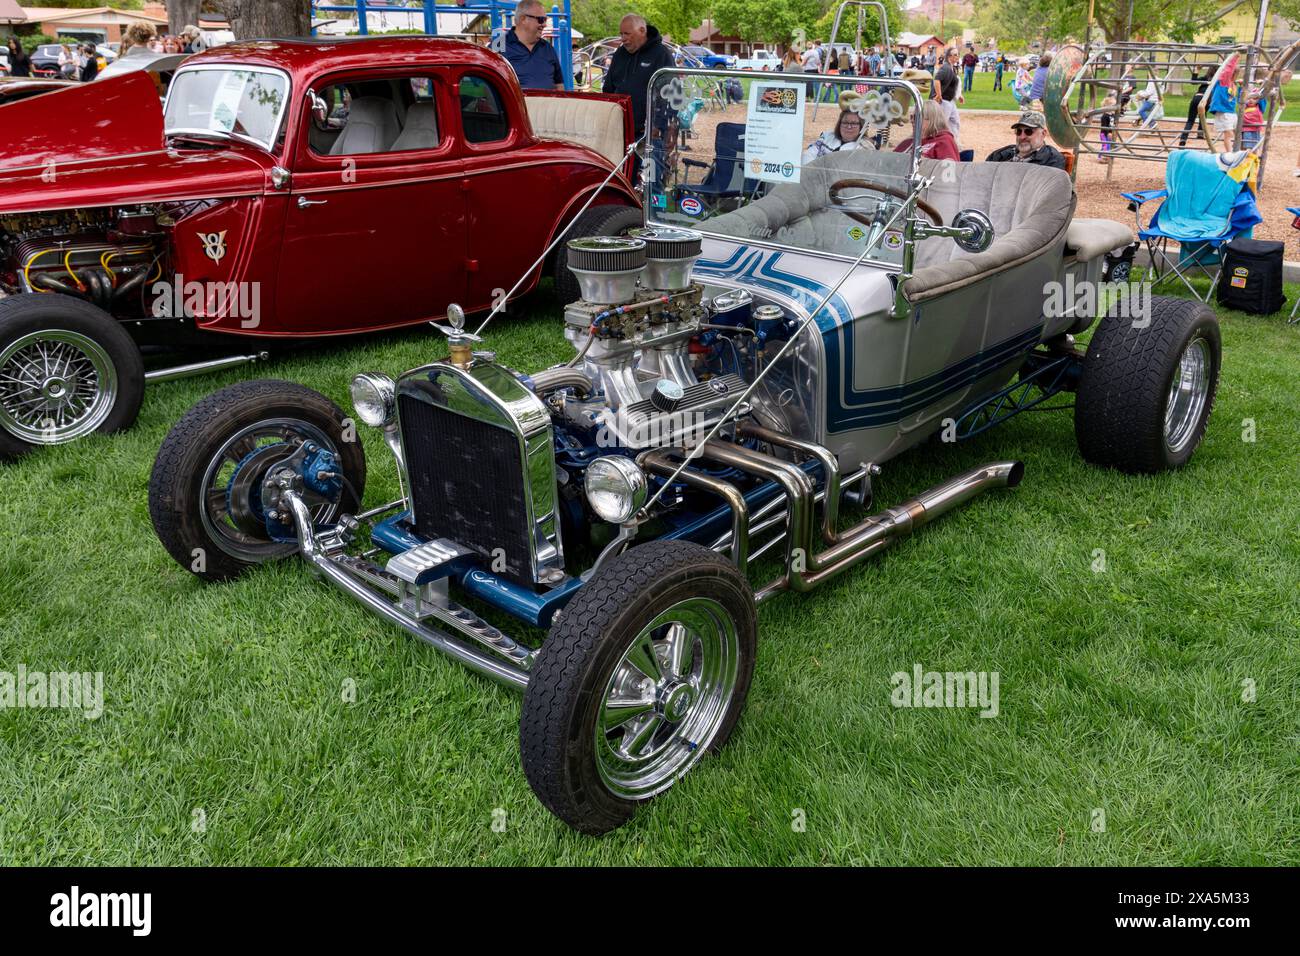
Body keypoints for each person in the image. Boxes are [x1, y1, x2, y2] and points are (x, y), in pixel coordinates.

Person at [603, 14, 674, 140]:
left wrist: (660, 125)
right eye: (621, 34)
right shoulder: (619, 54)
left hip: (650, 133)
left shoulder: (661, 54)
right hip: (620, 129)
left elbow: (671, 95)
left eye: (627, 33)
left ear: (642, 31)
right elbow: (608, 89)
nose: (623, 38)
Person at [502, 0, 563, 91]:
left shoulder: (548, 48)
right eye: (541, 20)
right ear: (523, 19)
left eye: (545, 20)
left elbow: (559, 84)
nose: (544, 25)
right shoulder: (498, 45)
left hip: (548, 105)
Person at [986, 110, 1066, 168]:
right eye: (1019, 131)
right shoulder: (1002, 154)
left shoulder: (1052, 160)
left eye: (1028, 131)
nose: (1022, 137)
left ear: (1043, 133)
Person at [893, 99, 959, 161]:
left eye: (916, 117)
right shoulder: (909, 141)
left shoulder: (944, 142)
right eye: (911, 117)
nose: (912, 121)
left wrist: (923, 162)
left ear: (931, 119)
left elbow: (949, 170)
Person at [802, 107, 870, 165]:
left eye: (854, 123)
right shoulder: (827, 137)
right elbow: (808, 154)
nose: (849, 126)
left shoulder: (865, 147)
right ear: (839, 124)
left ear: (861, 127)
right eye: (845, 122)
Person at [1206, 63, 1238, 152]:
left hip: (1231, 111)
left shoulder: (1233, 84)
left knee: (1238, 132)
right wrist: (1235, 58)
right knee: (1229, 133)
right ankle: (1230, 153)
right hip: (1223, 111)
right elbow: (1228, 70)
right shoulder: (1223, 82)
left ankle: (1237, 151)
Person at [1177, 68, 1210, 148]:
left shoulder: (1207, 77)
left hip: (1196, 98)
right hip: (1205, 99)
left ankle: (1183, 139)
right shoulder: (1217, 80)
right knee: (1203, 115)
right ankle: (1200, 133)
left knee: (1190, 120)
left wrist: (1197, 70)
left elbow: (1193, 81)